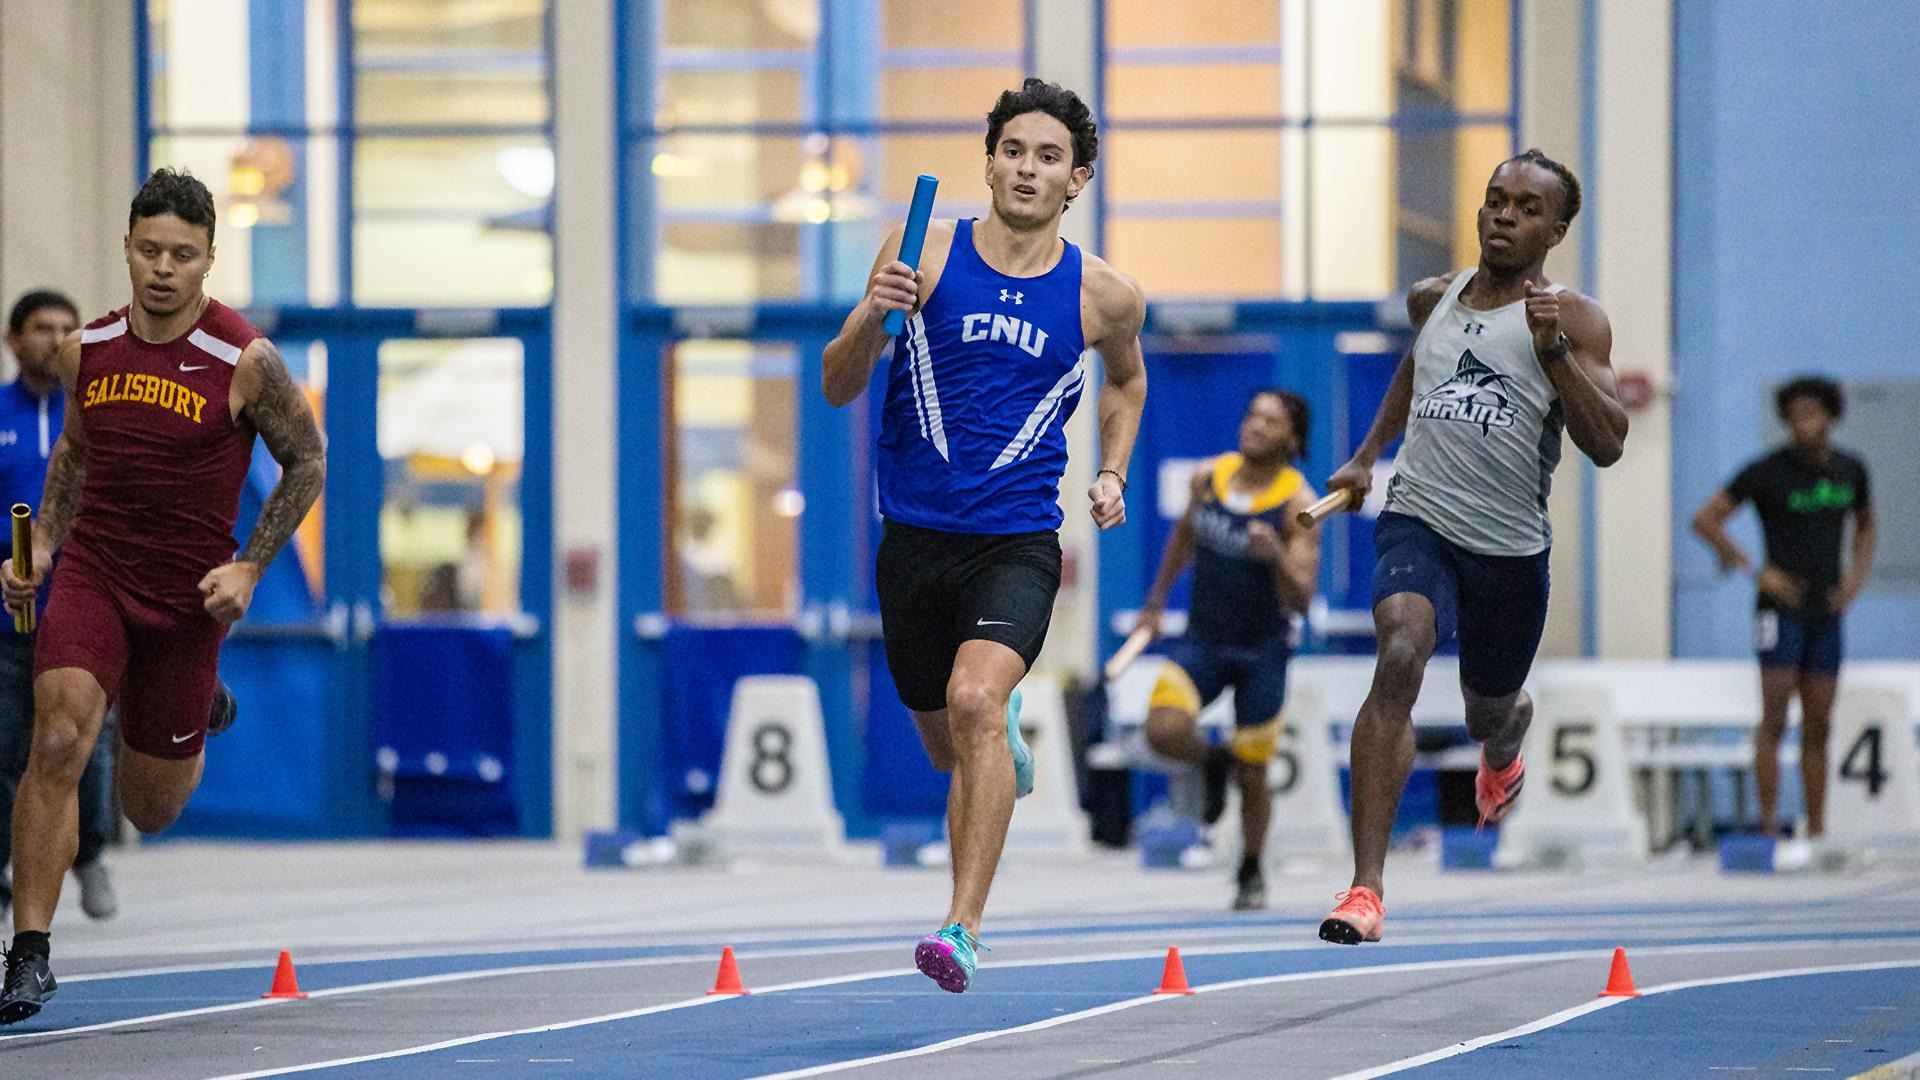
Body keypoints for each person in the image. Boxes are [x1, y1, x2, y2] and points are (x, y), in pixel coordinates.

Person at [822, 78, 1146, 992]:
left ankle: (962, 928)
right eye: (1014, 151)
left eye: (1049, 157)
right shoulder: (917, 251)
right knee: (947, 741)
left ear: (1077, 177)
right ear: (991, 159)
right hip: (914, 540)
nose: (1028, 170)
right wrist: (870, 315)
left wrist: (1112, 470)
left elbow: (1126, 385)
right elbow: (838, 384)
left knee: (974, 703)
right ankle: (994, 737)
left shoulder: (1104, 295)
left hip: (1015, 542)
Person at [0, 169, 325, 1023]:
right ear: (127, 248)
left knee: (151, 806)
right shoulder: (90, 348)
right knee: (61, 735)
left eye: (183, 255)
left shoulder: (246, 361)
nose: (164, 269)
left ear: (209, 260)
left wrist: (251, 565)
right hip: (96, 574)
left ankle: (195, 696)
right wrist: (38, 547)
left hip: (186, 600)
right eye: (150, 250)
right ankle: (28, 953)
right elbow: (72, 456)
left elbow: (309, 461)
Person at [1317, 150, 1628, 945]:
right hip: (1419, 517)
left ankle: (1506, 736)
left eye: (1526, 207)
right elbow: (1414, 373)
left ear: (1556, 229)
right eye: (1495, 200)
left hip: (1509, 552)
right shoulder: (1436, 297)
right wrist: (1365, 456)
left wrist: (1553, 350)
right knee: (1400, 652)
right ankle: (1366, 890)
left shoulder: (1578, 320)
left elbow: (1609, 445)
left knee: (1488, 708)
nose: (1503, 215)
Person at [1136, 389, 1321, 911]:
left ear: (1292, 436)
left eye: (1271, 420)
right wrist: (1155, 603)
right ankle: (1214, 763)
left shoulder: (1298, 502)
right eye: (1252, 415)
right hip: (1204, 639)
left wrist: (1277, 554)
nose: (1256, 426)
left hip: (1263, 650)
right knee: (1163, 729)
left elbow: (1303, 597)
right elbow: (1183, 538)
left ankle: (1251, 868)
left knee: (1256, 771)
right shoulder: (1208, 478)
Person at [1691, 377, 1874, 848]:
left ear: (1832, 417)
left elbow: (1866, 523)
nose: (1802, 423)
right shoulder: (1766, 472)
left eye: (1811, 414)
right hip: (1779, 608)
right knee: (1774, 718)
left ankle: (1816, 830)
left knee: (1819, 724)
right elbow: (1705, 520)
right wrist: (1755, 570)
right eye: (1793, 416)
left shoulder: (1850, 470)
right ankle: (1769, 827)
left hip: (1826, 610)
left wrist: (1855, 581)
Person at [0, 290, 118, 923]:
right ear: (14, 339)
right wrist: (18, 547)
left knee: (85, 744)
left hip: (85, 615)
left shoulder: (100, 418)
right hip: (7, 619)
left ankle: (91, 855)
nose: (56, 339)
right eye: (42, 328)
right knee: (6, 745)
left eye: (69, 329)